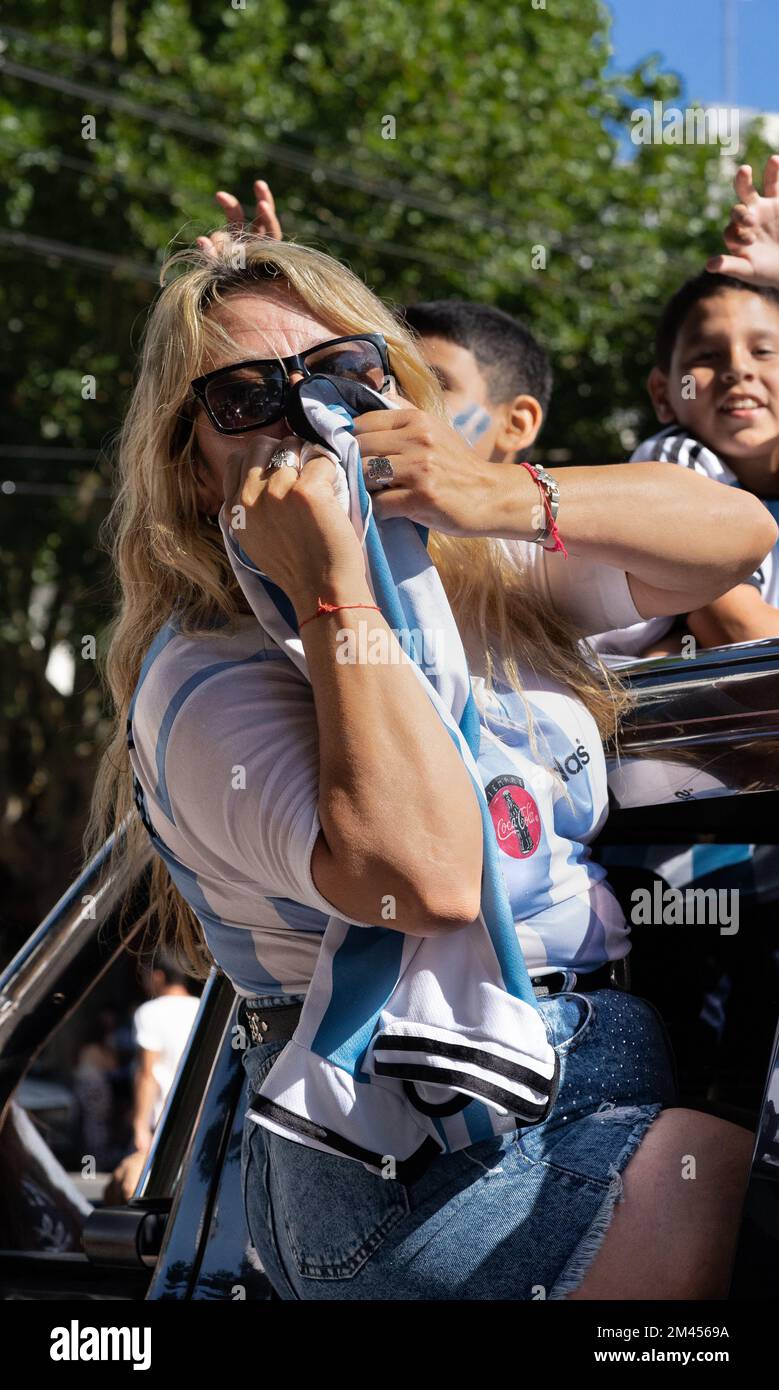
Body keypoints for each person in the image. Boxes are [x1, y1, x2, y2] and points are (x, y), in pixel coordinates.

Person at [82, 229, 775, 1300]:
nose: (304, 417)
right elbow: (426, 878)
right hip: (406, 1175)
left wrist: (490, 496)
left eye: (340, 373)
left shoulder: (455, 568)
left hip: (590, 1071)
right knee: (740, 1186)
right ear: (189, 456)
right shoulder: (203, 676)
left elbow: (726, 536)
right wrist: (327, 589)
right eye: (243, 400)